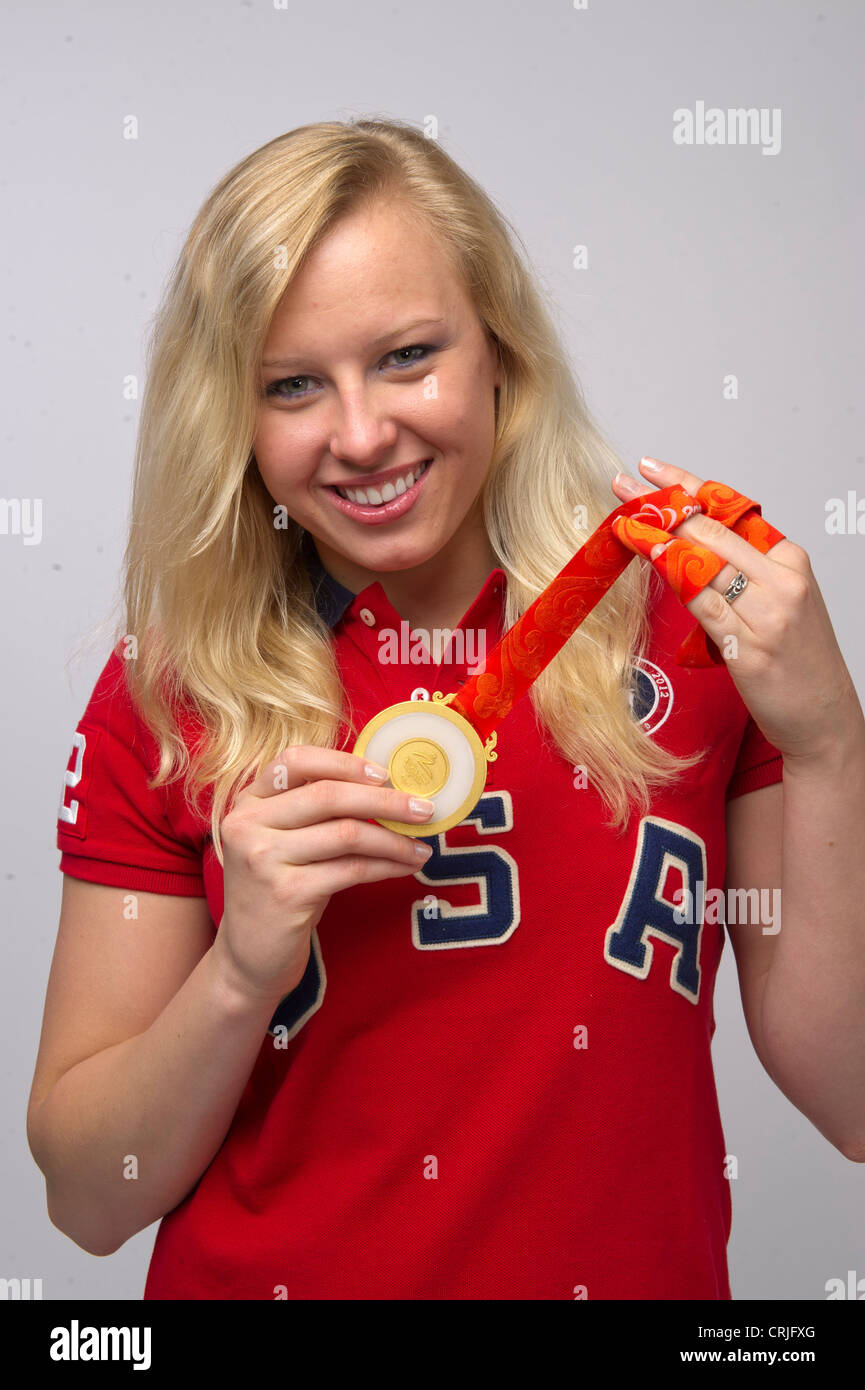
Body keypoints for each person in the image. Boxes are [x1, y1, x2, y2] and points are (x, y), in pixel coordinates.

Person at [28, 118, 865, 1301]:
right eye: (293, 385)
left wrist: (830, 737)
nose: (362, 433)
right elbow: (86, 1199)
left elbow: (853, 1103)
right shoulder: (172, 694)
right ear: (234, 415)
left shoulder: (691, 627)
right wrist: (237, 974)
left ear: (500, 352)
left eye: (409, 355)